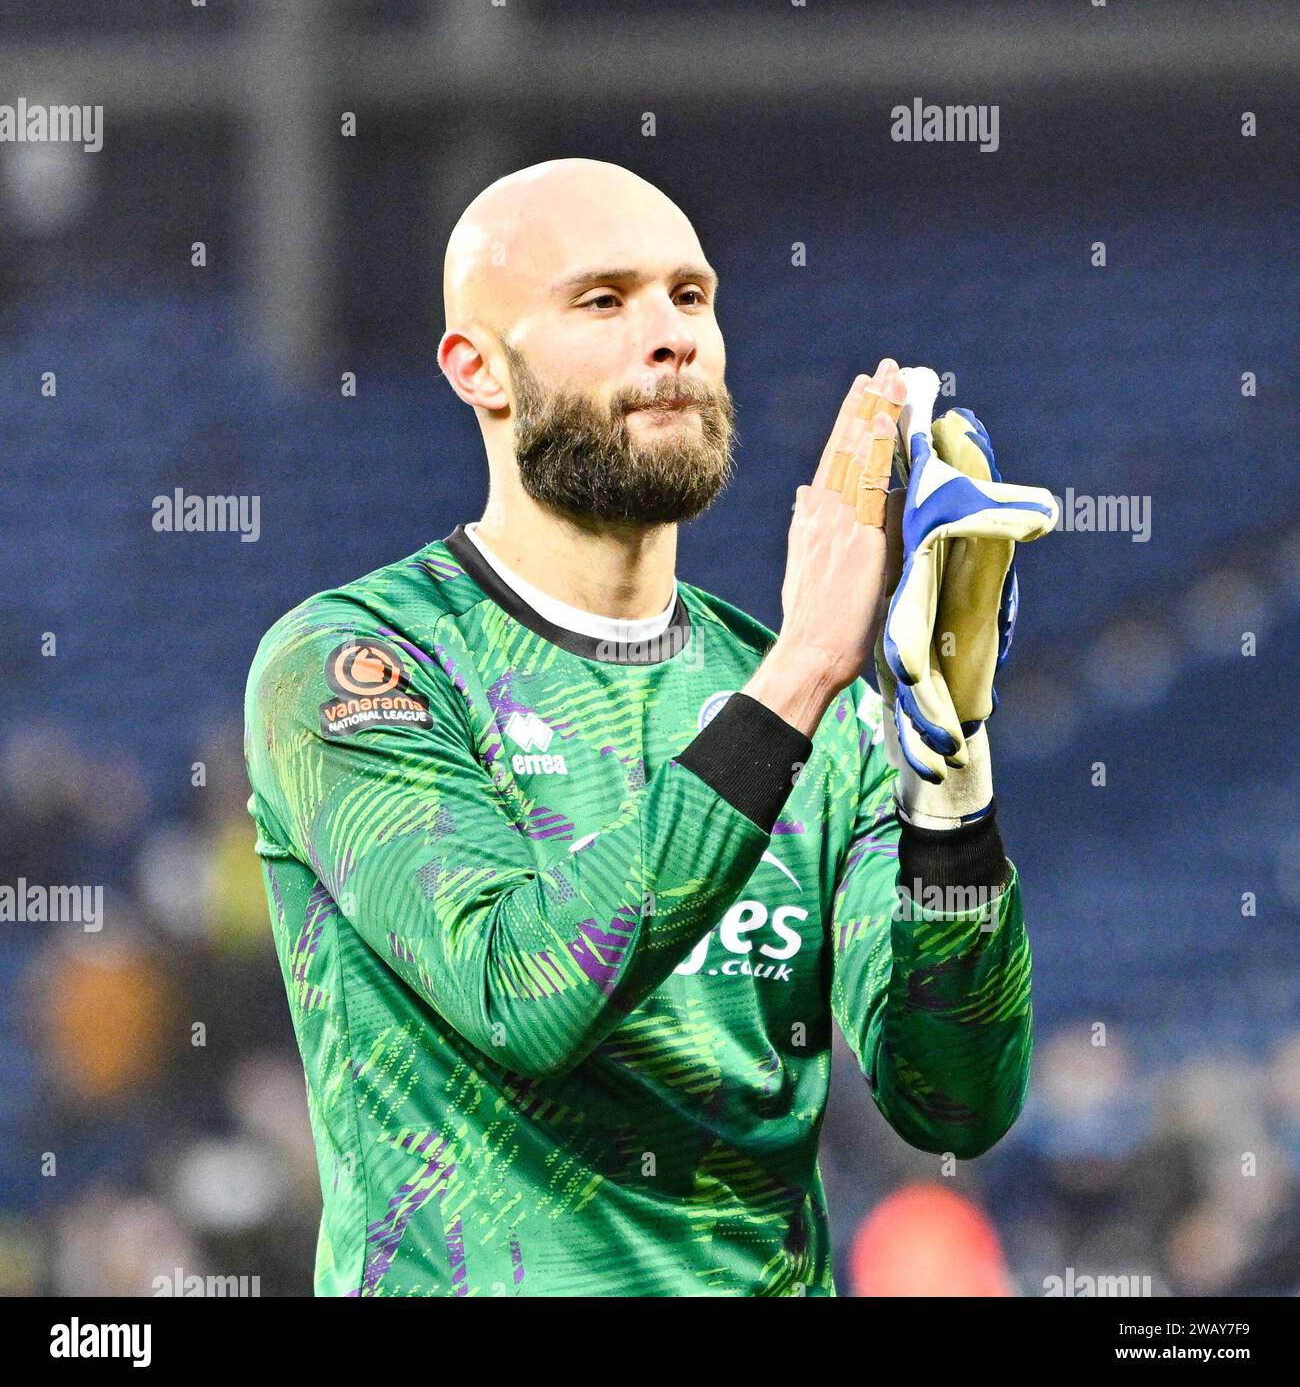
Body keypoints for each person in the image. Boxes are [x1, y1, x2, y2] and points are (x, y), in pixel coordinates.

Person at [243, 158, 1033, 1297]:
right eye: (603, 301)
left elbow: (954, 1096)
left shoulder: (819, 717)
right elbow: (522, 986)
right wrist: (806, 669)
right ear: (479, 369)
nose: (668, 337)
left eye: (691, 297)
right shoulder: (359, 661)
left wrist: (949, 775)